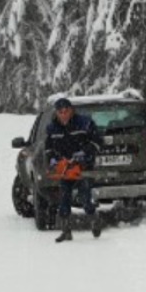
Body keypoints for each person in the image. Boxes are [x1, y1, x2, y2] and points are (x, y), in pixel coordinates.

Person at [44, 98, 102, 242]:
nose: (63, 115)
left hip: (83, 167)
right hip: (64, 168)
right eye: (60, 112)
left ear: (71, 110)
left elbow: (97, 142)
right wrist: (53, 159)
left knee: (85, 197)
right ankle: (66, 231)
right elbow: (48, 148)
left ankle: (94, 221)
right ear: (57, 113)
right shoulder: (52, 128)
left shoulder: (85, 123)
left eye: (66, 111)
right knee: (64, 199)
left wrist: (84, 153)